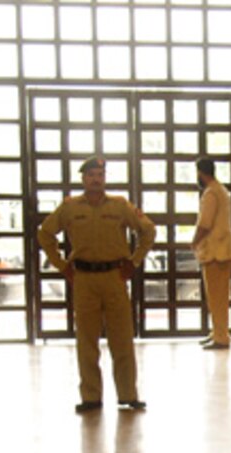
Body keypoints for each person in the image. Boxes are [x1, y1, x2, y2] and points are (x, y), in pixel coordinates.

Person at [37, 157, 156, 413]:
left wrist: (133, 262)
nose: (96, 179)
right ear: (83, 179)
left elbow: (148, 231)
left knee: (122, 339)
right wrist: (61, 264)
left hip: (114, 276)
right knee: (87, 340)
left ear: (105, 178)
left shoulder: (120, 205)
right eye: (91, 174)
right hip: (84, 279)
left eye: (100, 174)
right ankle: (91, 396)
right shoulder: (70, 207)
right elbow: (45, 233)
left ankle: (128, 394)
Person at [191, 157, 231, 350]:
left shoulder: (210, 194)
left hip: (215, 252)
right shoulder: (222, 190)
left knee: (216, 295)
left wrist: (194, 241)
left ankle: (220, 337)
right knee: (221, 295)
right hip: (225, 249)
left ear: (201, 173)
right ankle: (218, 332)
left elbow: (205, 223)